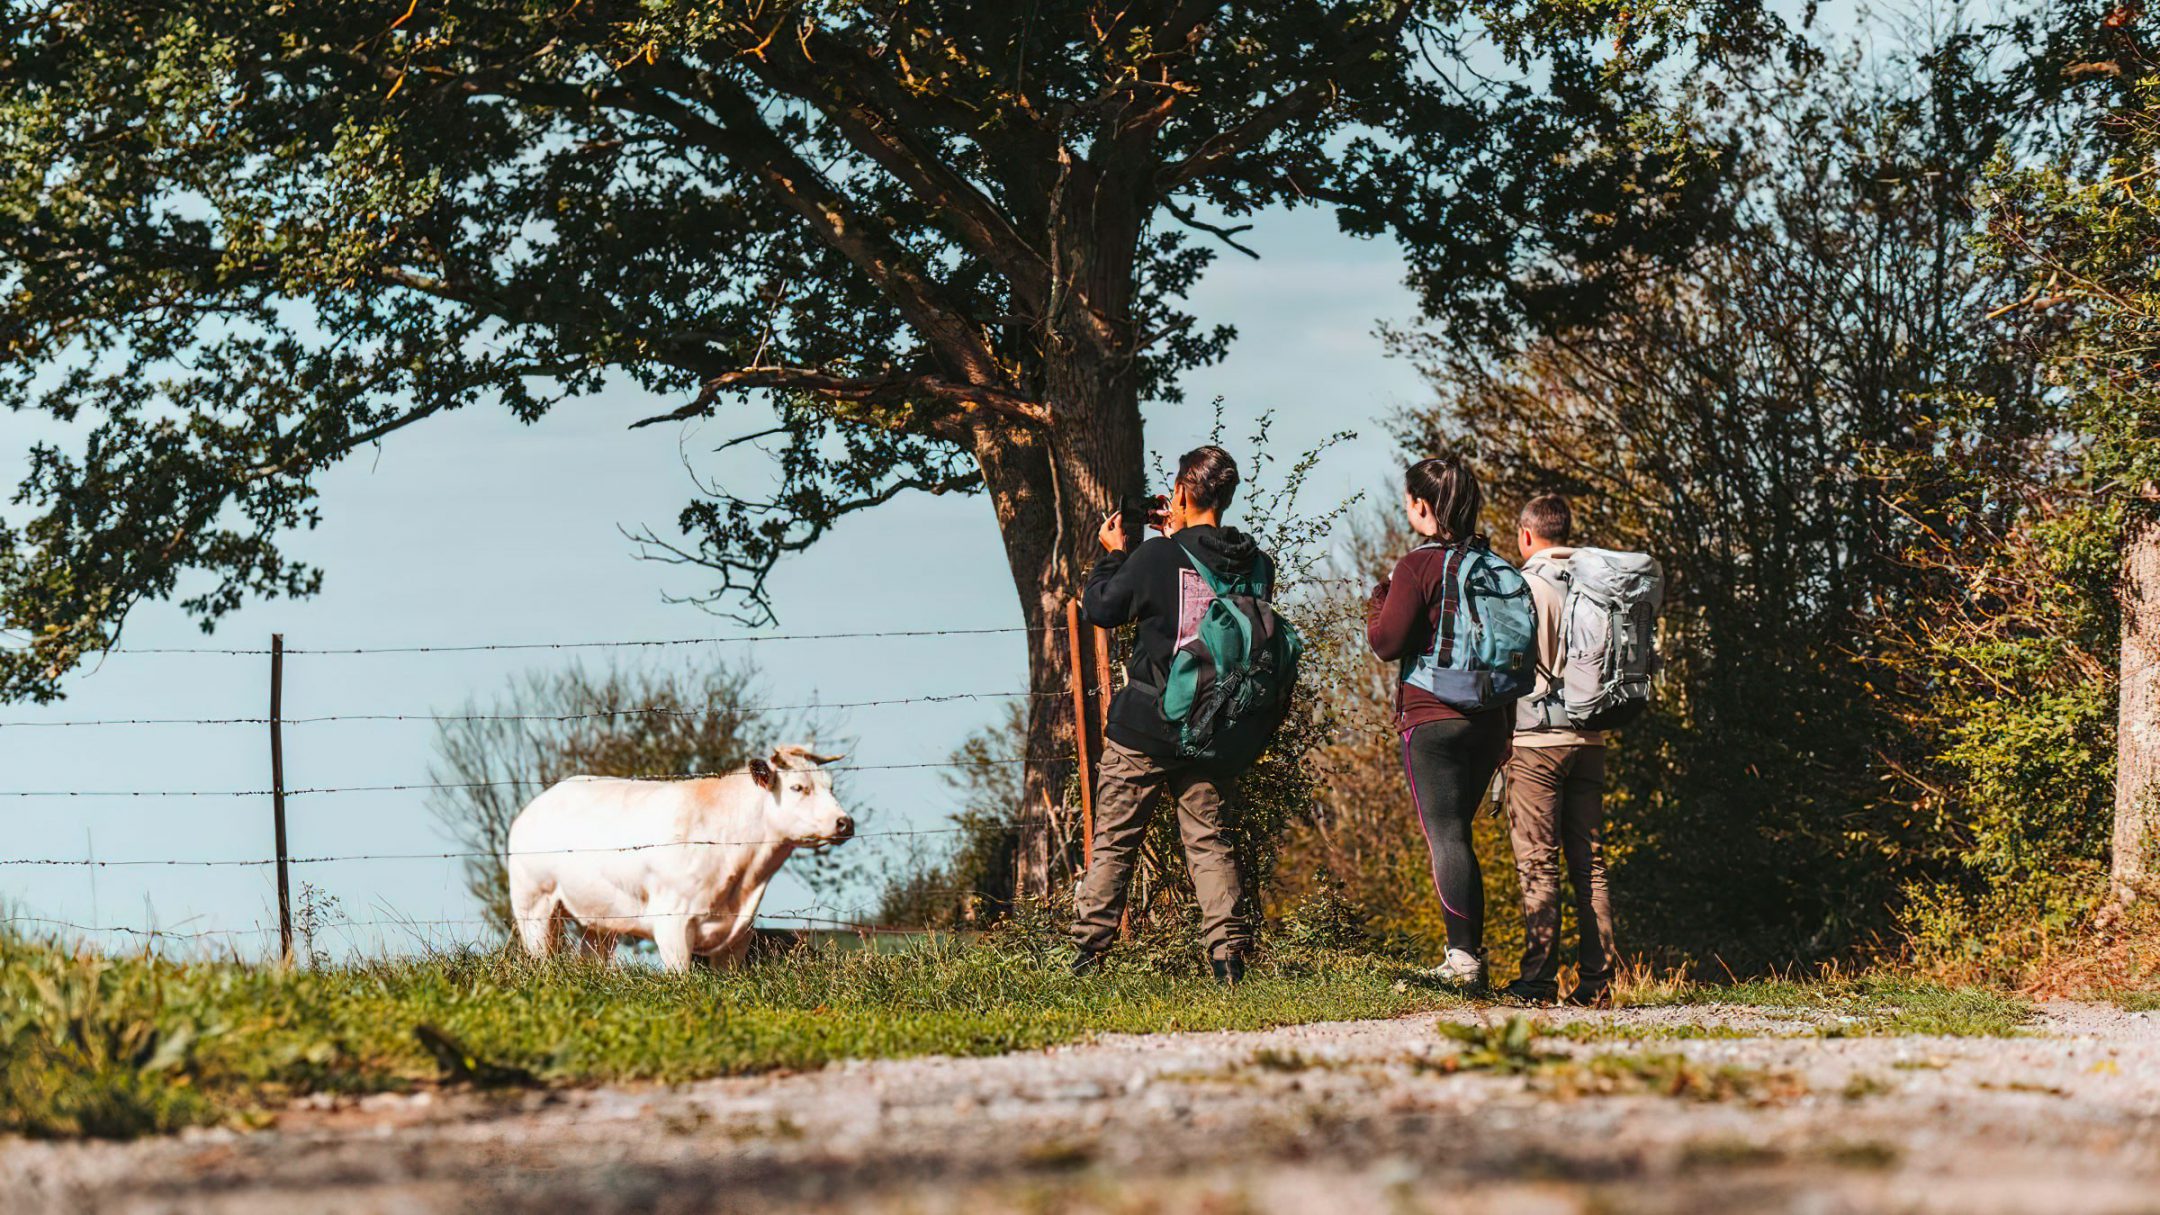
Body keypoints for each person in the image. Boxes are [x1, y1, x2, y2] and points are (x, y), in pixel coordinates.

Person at [1070, 445, 1273, 984]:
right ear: (1226, 496)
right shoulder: (1257, 564)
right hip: (1214, 728)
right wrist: (1174, 539)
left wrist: (1116, 554)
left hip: (1147, 724)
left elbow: (1102, 608)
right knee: (1210, 842)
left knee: (1116, 840)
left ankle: (1087, 956)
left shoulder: (1158, 556)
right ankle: (1228, 961)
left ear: (1181, 493)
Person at [1366, 454, 1514, 992]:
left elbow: (1386, 643)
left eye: (1408, 500)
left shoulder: (1418, 566)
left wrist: (1378, 599)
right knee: (1459, 835)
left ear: (1423, 506)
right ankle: (1470, 954)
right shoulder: (1496, 566)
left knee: (1447, 835)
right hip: (1492, 719)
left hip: (1433, 718)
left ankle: (1464, 962)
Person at [1500, 493, 1618, 1008]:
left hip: (1537, 741)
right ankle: (1596, 983)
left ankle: (1538, 980)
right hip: (1591, 738)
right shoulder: (1599, 584)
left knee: (1538, 863)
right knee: (1590, 864)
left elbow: (1507, 665)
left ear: (1527, 535)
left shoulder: (1525, 585)